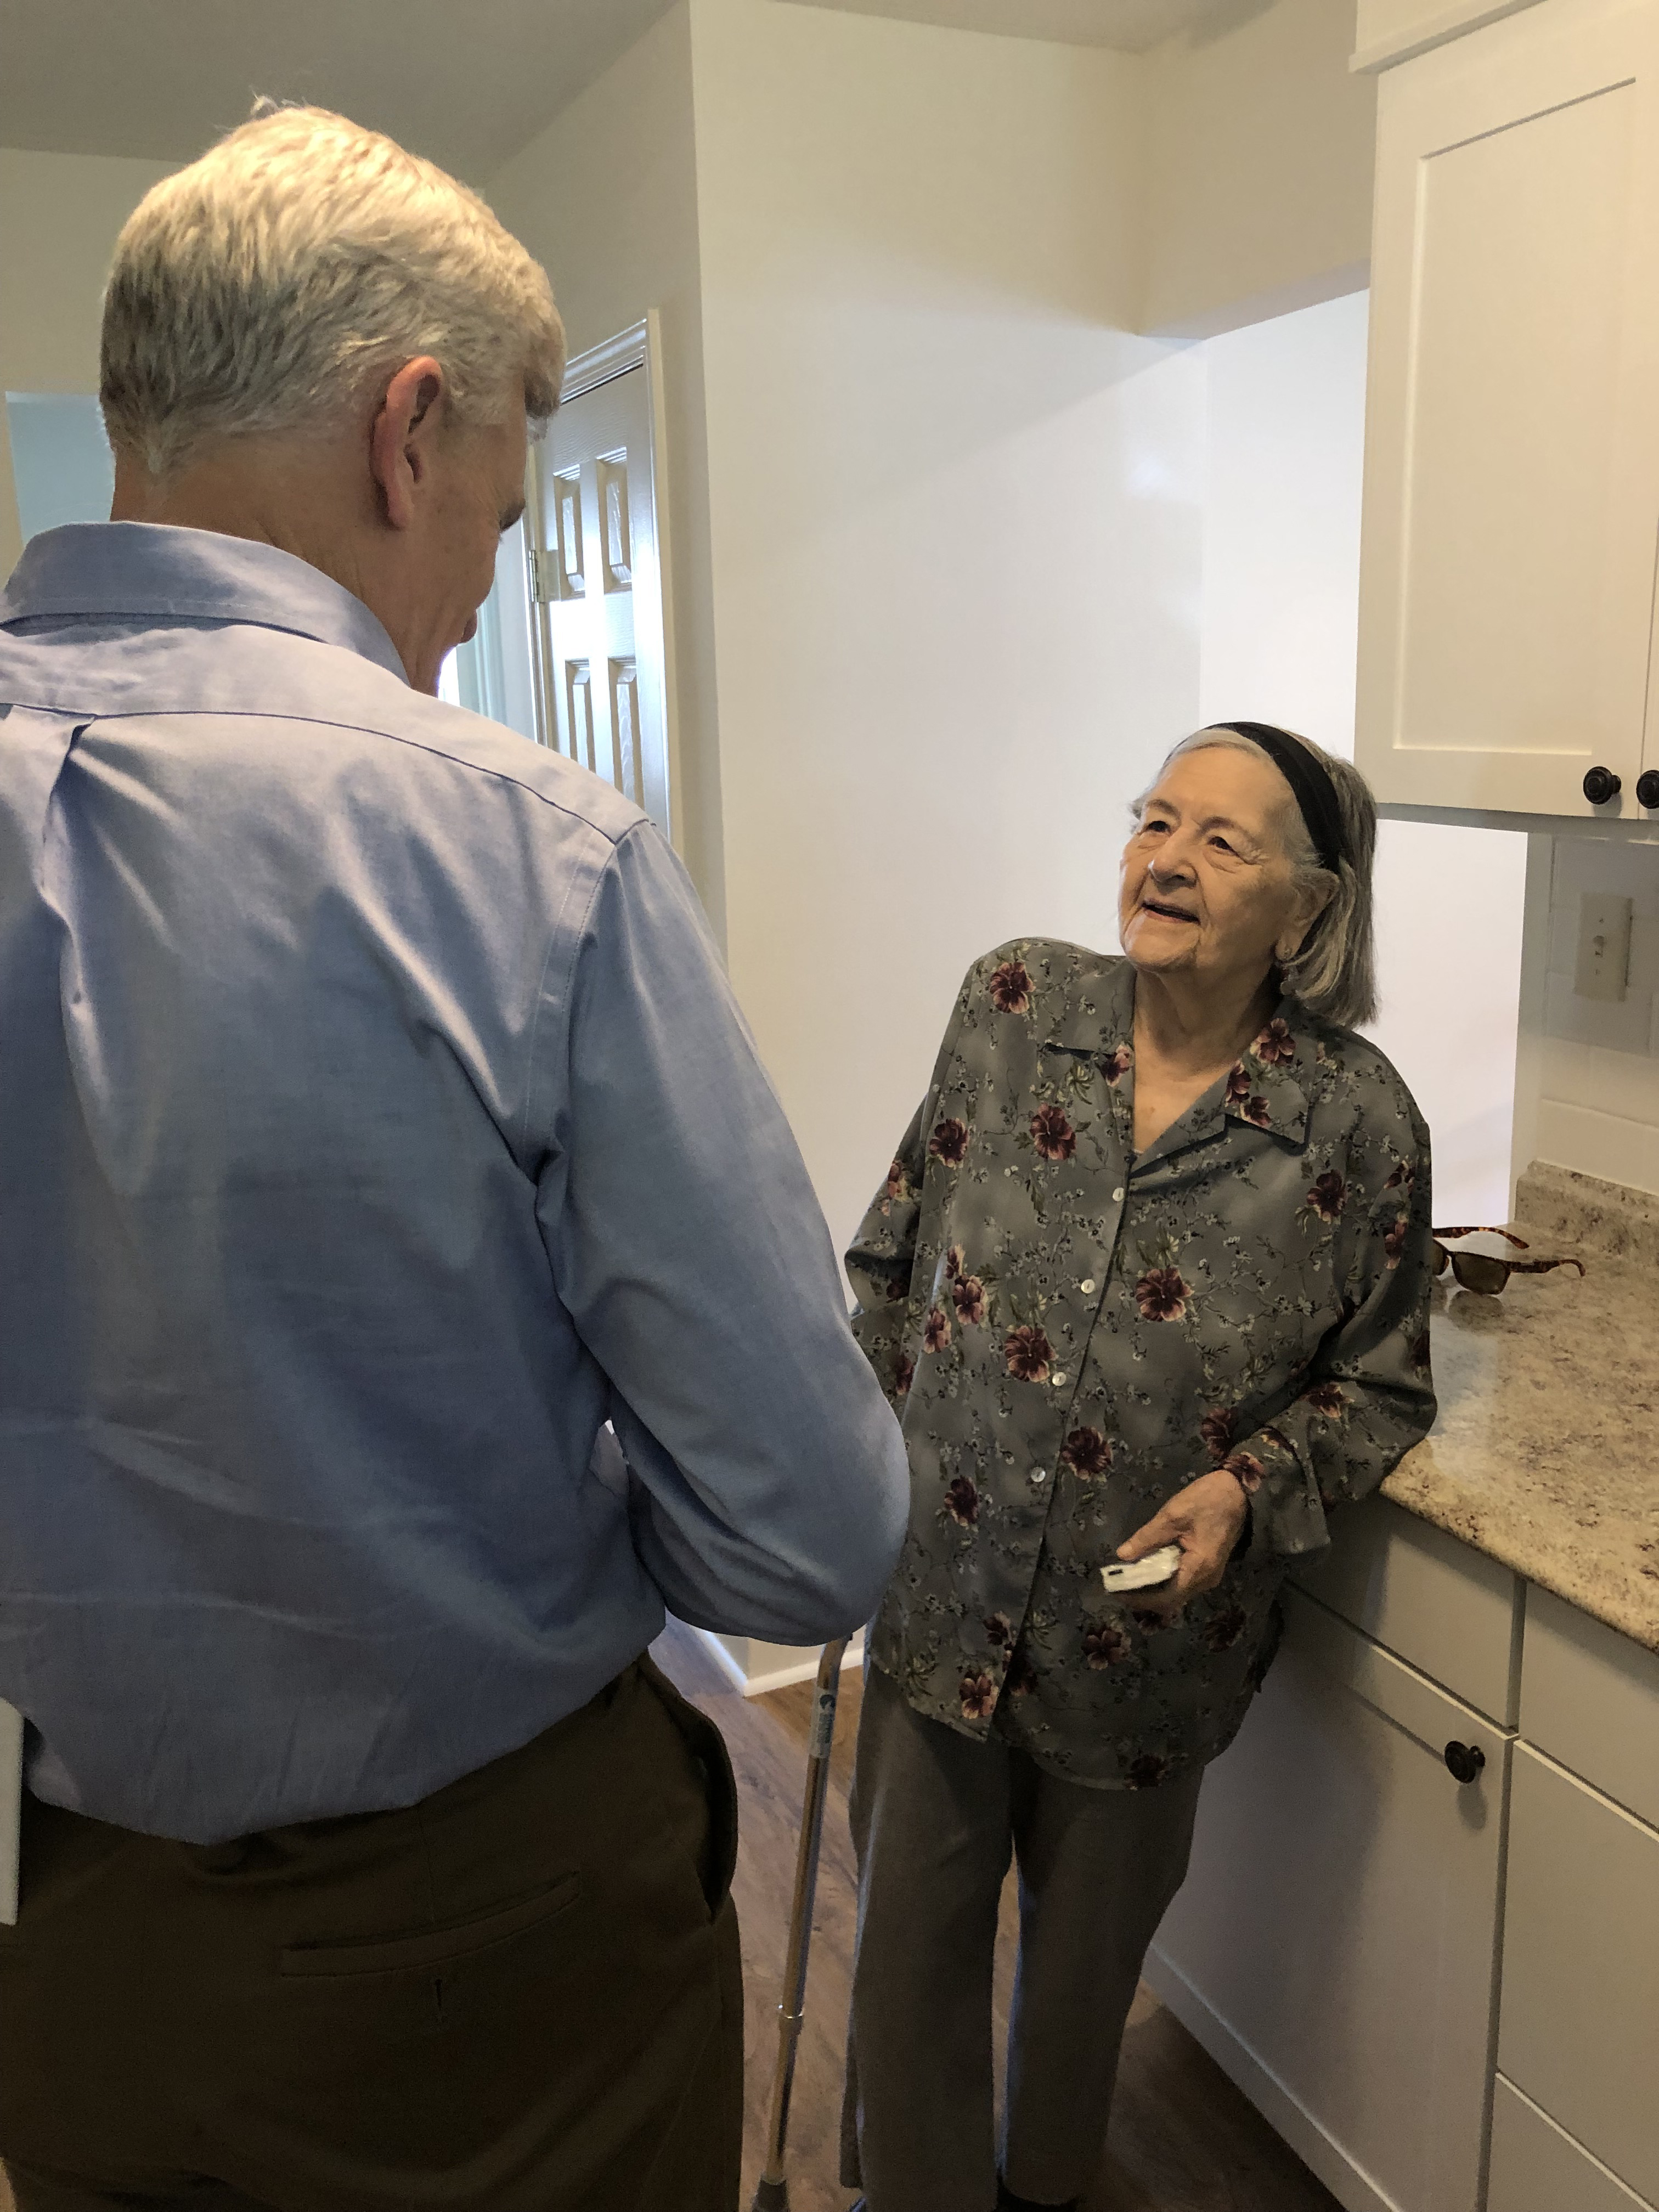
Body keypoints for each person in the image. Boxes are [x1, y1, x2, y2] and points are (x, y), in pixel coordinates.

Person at [0, 103, 909, 2212]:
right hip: (483, 1958)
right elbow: (807, 1537)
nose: (459, 628)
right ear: (409, 432)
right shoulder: (527, 850)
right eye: (491, 541)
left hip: (84, 1932)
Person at [838, 721, 1438, 2212]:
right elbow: (895, 1256)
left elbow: (1379, 1386)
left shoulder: (1355, 1123)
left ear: (1306, 908)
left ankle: (1044, 2190)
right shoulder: (1013, 1002)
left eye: (1222, 842)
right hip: (941, 1588)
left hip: (1145, 1642)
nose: (1164, 859)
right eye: (1153, 820)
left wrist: (1248, 1490)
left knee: (1088, 1966)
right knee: (906, 1950)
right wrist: (844, 1466)